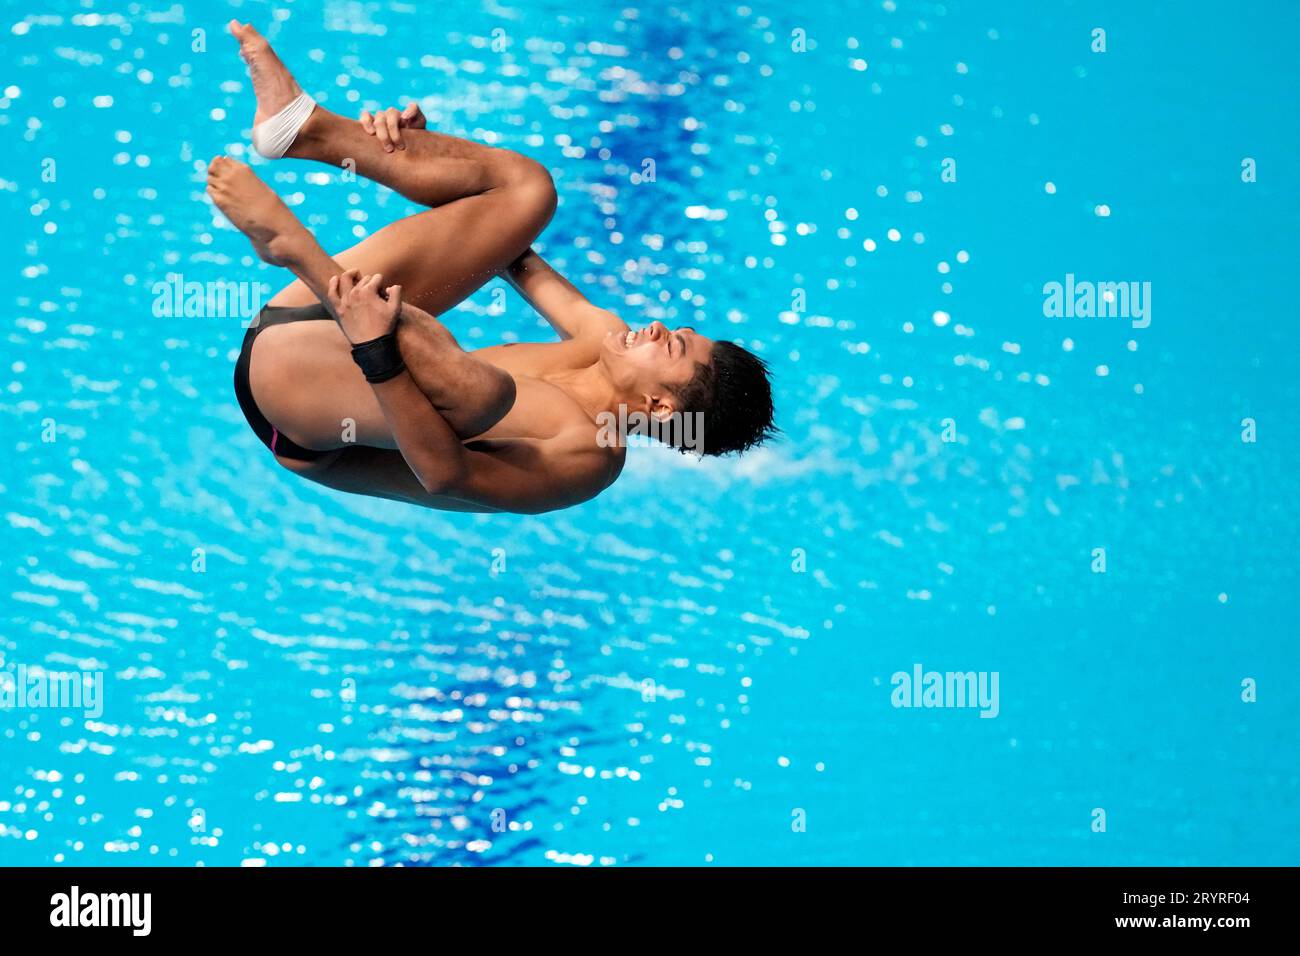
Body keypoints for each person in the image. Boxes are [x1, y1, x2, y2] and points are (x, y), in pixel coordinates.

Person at [211, 21, 775, 514]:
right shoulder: (603, 332)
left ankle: (295, 248)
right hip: (319, 327)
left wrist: (373, 346)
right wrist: (428, 155)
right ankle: (306, 129)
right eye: (676, 329)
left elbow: (445, 474)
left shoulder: (588, 455)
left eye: (671, 346)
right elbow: (504, 247)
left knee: (487, 398)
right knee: (529, 193)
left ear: (659, 405)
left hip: (294, 400)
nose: (656, 326)